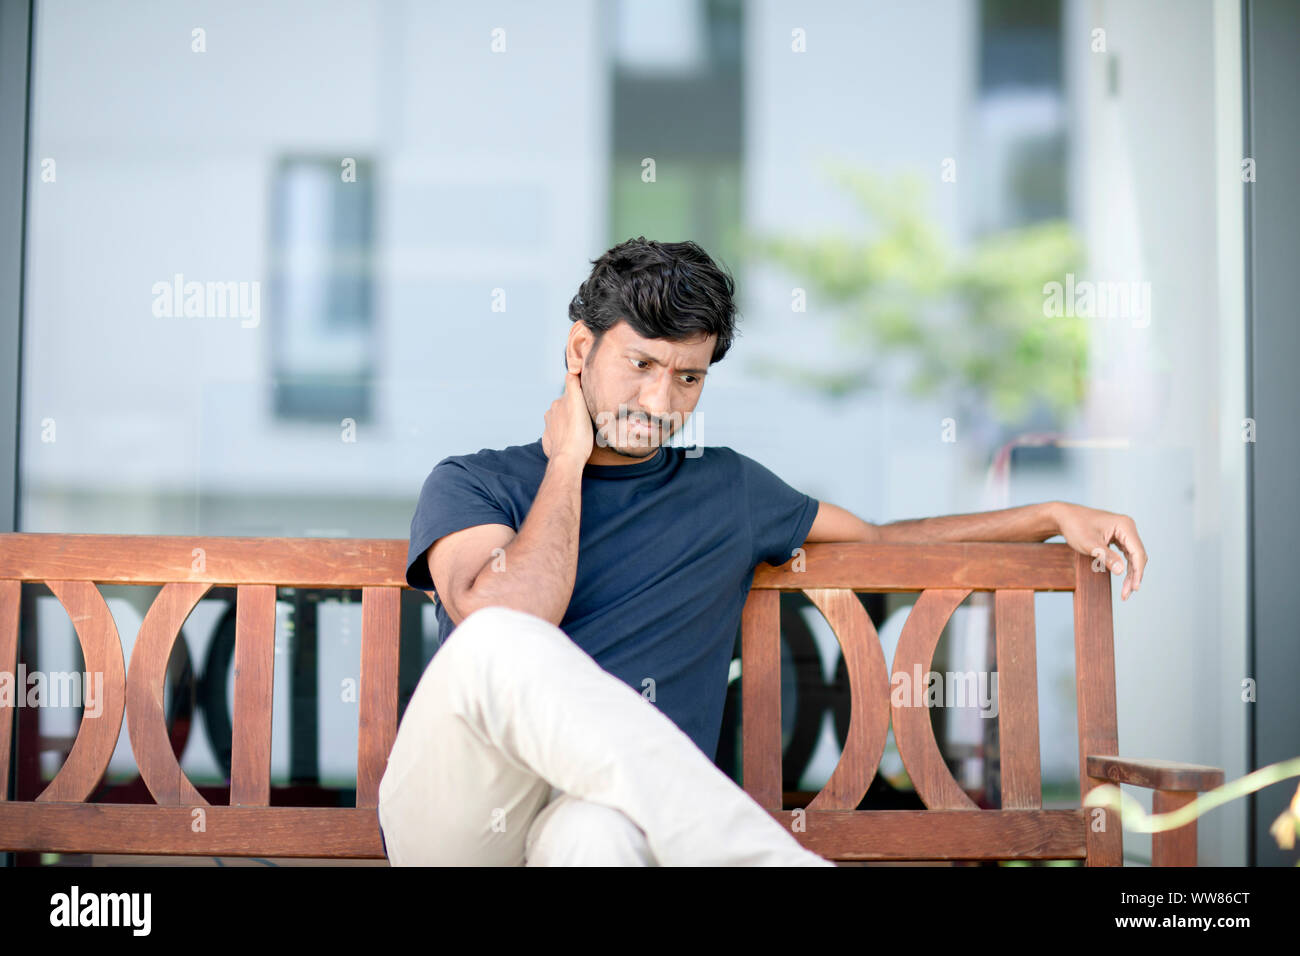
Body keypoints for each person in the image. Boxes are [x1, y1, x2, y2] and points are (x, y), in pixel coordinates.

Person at [377, 237, 1148, 866]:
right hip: (462, 821)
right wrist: (568, 463)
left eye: (688, 378)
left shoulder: (731, 492)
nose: (661, 404)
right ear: (579, 349)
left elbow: (884, 545)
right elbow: (515, 613)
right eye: (639, 365)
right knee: (497, 642)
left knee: (597, 837)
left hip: (612, 819)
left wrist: (1047, 512)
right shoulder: (473, 483)